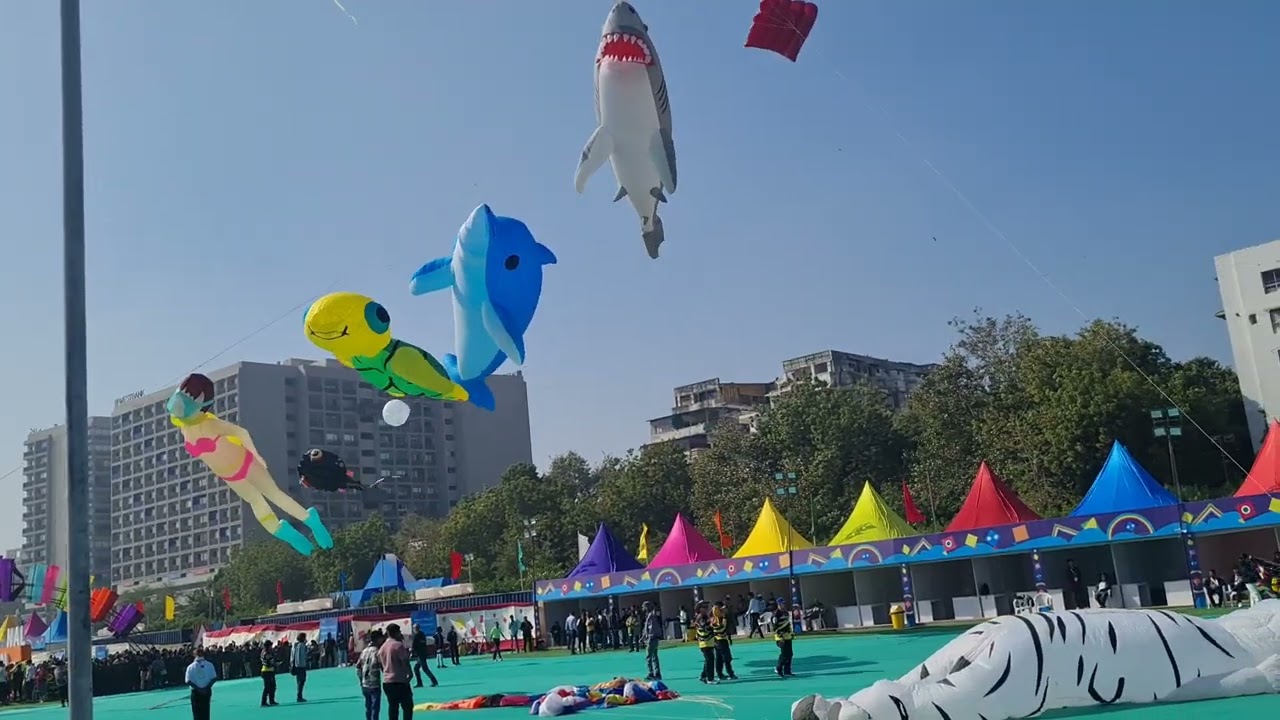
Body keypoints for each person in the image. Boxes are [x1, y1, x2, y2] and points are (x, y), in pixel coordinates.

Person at [168, 373, 332, 555]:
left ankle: (312, 521)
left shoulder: (211, 424)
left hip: (246, 464)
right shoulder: (184, 427)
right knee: (257, 505)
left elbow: (241, 432)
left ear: (202, 404)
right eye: (181, 393)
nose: (181, 401)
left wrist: (256, 454)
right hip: (230, 476)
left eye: (189, 396)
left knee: (274, 495)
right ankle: (289, 535)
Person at [378, 624, 414, 720]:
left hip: (387, 682)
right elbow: (405, 661)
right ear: (396, 633)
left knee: (393, 707)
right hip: (399, 680)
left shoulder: (382, 647)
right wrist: (410, 673)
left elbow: (380, 664)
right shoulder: (398, 645)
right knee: (407, 706)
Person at [357, 629, 384, 720]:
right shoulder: (378, 651)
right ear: (377, 639)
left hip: (365, 683)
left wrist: (361, 679)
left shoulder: (364, 651)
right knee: (375, 709)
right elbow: (383, 666)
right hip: (374, 683)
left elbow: (358, 666)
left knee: (368, 708)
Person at [185, 647, 217, 720]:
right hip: (207, 691)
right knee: (206, 712)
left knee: (197, 714)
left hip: (196, 692)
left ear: (194, 655)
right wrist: (206, 688)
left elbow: (188, 681)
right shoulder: (210, 665)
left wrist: (199, 689)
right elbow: (214, 678)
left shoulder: (190, 667)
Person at [711, 603, 738, 681]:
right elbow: (722, 629)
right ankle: (730, 673)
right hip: (720, 641)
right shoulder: (717, 621)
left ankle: (720, 674)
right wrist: (724, 617)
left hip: (718, 641)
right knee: (726, 658)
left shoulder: (715, 619)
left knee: (719, 658)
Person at [693, 601, 717, 684]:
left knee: (708, 660)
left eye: (707, 607)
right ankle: (710, 679)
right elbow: (705, 628)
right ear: (700, 608)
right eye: (704, 607)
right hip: (705, 642)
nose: (707, 608)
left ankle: (703, 676)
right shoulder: (700, 617)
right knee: (710, 660)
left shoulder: (705, 616)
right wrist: (711, 624)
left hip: (709, 641)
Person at [641, 601, 663, 681]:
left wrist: (648, 636)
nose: (642, 609)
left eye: (643, 607)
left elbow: (652, 628)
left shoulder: (651, 617)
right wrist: (643, 636)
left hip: (652, 638)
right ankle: (657, 673)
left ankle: (651, 673)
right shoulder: (649, 616)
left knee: (649, 657)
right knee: (654, 656)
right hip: (653, 638)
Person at [773, 599, 794, 678]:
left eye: (784, 603)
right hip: (780, 637)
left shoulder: (785, 612)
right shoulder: (776, 614)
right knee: (784, 654)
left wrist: (791, 633)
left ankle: (787, 671)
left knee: (790, 654)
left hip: (787, 636)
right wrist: (780, 636)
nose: (783, 605)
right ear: (778, 604)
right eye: (782, 603)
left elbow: (788, 624)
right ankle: (778, 668)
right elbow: (775, 627)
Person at [290, 632, 309, 702]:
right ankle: (299, 696)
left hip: (295, 665)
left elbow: (292, 655)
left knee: (299, 681)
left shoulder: (294, 645)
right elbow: (302, 656)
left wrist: (292, 663)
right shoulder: (301, 645)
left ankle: (299, 695)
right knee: (302, 680)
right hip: (301, 665)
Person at [259, 640, 279, 706]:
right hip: (267, 671)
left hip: (269, 670)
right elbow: (268, 663)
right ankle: (264, 702)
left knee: (272, 686)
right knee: (267, 687)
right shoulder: (267, 653)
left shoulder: (263, 652)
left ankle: (271, 700)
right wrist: (276, 664)